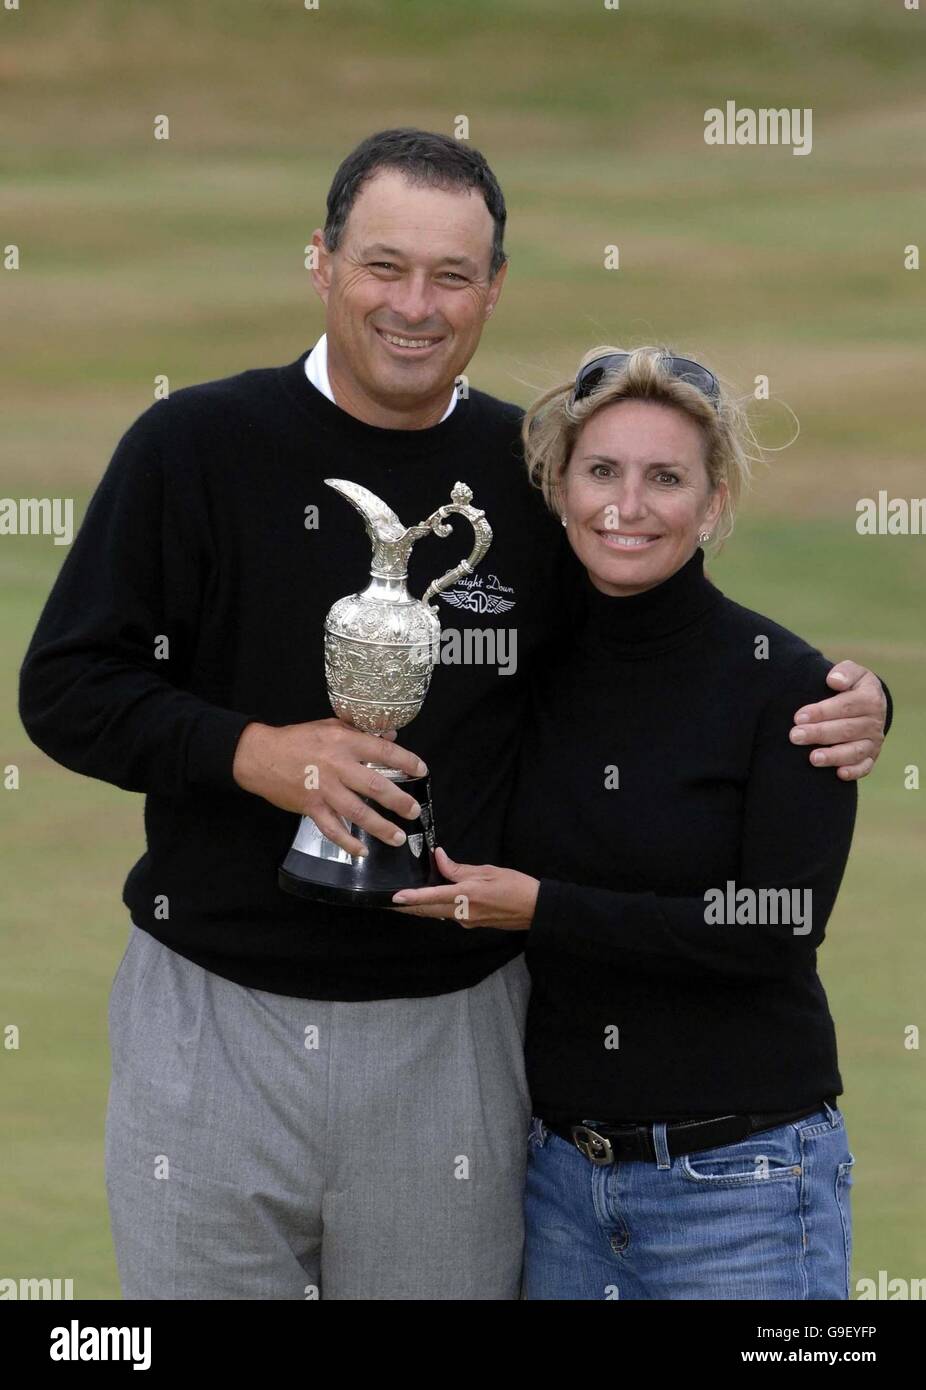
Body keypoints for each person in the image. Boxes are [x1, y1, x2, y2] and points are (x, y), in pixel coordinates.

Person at [18, 129, 888, 1301]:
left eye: (451, 276)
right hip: (209, 1022)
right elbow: (65, 687)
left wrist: (851, 696)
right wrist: (255, 754)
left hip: (454, 1033)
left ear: (494, 291)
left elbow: (663, 637)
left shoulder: (523, 473)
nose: (413, 307)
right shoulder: (193, 445)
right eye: (383, 266)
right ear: (320, 263)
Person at [391, 345, 867, 1300]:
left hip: (748, 1185)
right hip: (560, 1185)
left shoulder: (791, 687)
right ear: (558, 488)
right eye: (601, 471)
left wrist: (544, 911)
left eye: (666, 479)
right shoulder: (523, 666)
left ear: (715, 502)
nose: (628, 505)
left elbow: (774, 925)